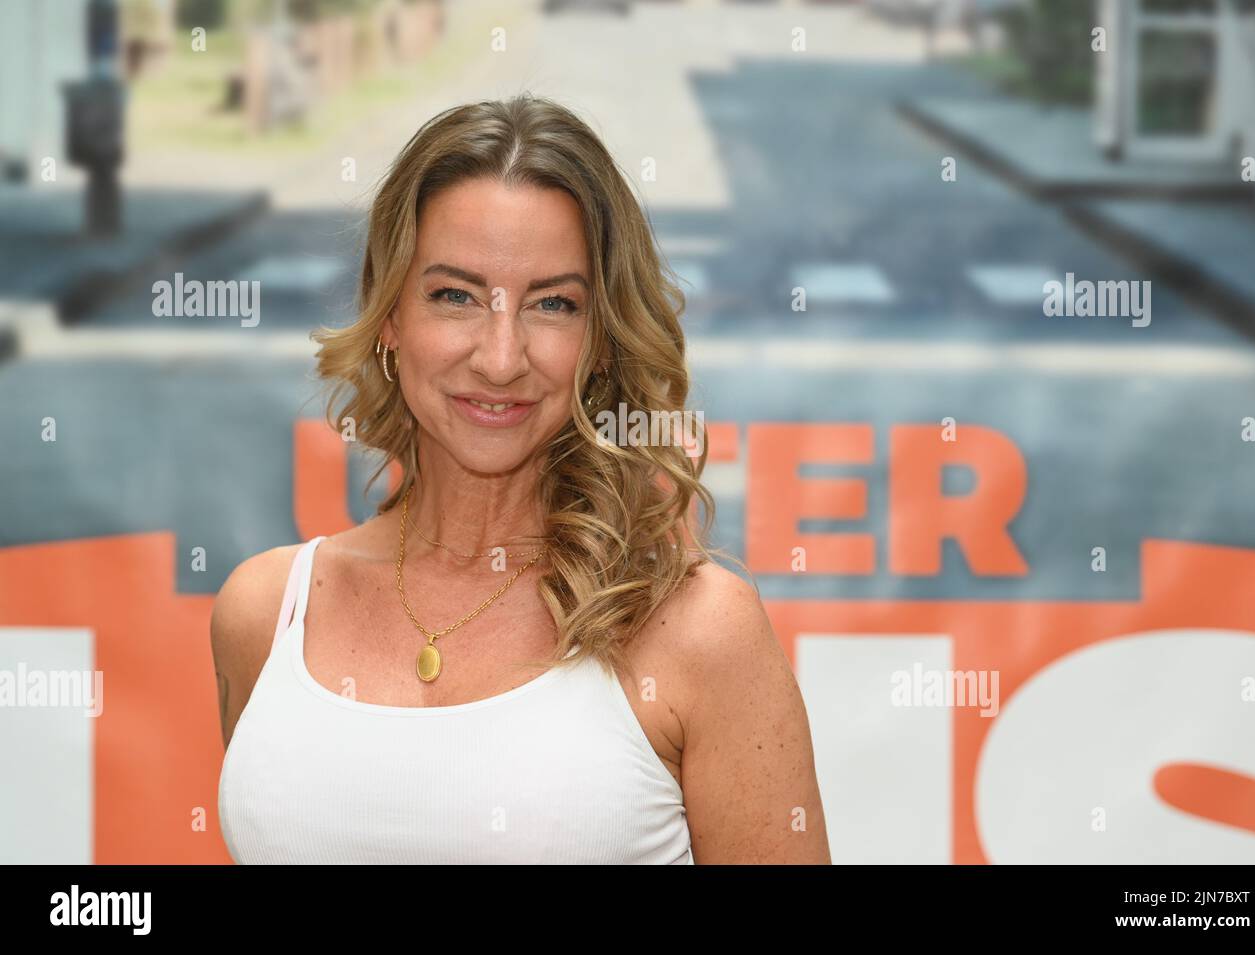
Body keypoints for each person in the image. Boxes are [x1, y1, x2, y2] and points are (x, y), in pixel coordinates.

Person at [210, 94, 830, 864]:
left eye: (554, 304)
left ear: (602, 340)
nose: (501, 357)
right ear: (391, 316)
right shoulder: (267, 614)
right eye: (456, 295)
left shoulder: (698, 632)